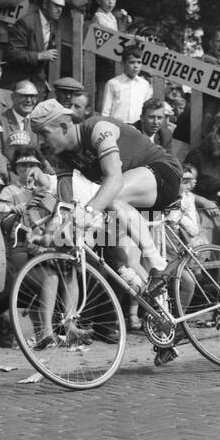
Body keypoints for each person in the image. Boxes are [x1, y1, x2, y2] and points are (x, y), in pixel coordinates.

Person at [28, 99, 180, 301]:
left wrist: (86, 214)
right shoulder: (63, 155)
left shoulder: (99, 129)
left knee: (110, 197)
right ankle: (158, 310)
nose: (40, 141)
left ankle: (157, 263)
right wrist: (52, 233)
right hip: (126, 201)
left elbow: (114, 180)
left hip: (163, 173)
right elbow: (66, 202)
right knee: (117, 257)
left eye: (44, 133)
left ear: (64, 126)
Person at [184, 116, 220, 248]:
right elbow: (183, 189)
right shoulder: (197, 157)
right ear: (219, 139)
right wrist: (204, 202)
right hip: (203, 213)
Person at [5, 0, 65, 91]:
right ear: (45, 4)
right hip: (18, 83)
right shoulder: (26, 23)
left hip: (38, 84)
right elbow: (13, 54)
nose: (59, 10)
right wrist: (39, 56)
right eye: (56, 5)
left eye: (61, 6)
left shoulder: (53, 25)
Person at [100, 46, 152, 125]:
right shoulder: (113, 83)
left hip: (138, 128)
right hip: (117, 126)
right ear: (123, 63)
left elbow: (147, 110)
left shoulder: (145, 85)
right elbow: (106, 111)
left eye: (139, 62)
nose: (136, 66)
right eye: (132, 62)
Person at [0, 80, 40, 157]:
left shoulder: (38, 123)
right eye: (24, 96)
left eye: (33, 96)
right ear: (13, 97)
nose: (29, 100)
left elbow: (40, 157)